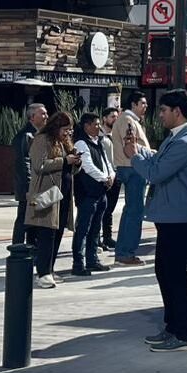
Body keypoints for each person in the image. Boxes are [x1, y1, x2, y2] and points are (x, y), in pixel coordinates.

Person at [124, 88, 187, 353]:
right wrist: (142, 152)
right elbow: (159, 160)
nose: (160, 115)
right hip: (171, 216)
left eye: (164, 110)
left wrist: (134, 156)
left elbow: (155, 173)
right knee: (165, 272)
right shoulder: (180, 136)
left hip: (178, 218)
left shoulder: (185, 141)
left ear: (177, 112)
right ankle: (172, 327)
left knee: (175, 275)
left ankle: (183, 334)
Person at [24, 111, 81, 288]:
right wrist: (64, 161)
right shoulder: (41, 139)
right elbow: (39, 165)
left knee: (57, 233)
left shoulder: (64, 142)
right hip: (46, 194)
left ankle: (50, 268)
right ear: (56, 127)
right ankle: (43, 272)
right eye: (65, 129)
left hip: (62, 194)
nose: (68, 133)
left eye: (70, 130)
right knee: (46, 234)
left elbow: (69, 169)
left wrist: (76, 163)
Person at [71, 113, 114, 276]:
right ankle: (78, 263)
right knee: (83, 229)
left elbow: (107, 162)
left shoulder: (99, 142)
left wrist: (111, 176)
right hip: (87, 193)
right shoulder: (81, 143)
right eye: (95, 124)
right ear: (86, 126)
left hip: (101, 192)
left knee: (96, 229)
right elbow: (87, 167)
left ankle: (92, 260)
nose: (98, 127)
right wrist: (104, 178)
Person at [112, 90, 151, 265]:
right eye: (142, 103)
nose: (146, 106)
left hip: (130, 167)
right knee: (134, 212)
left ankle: (124, 251)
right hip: (132, 167)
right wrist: (152, 154)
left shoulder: (128, 120)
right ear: (134, 104)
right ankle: (126, 252)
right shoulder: (128, 121)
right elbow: (132, 146)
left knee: (131, 211)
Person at [11, 103, 48, 245]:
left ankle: (32, 246)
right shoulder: (25, 136)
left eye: (46, 113)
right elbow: (23, 163)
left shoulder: (40, 134)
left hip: (40, 185)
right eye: (42, 114)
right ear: (32, 117)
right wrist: (28, 187)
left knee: (36, 219)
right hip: (30, 186)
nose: (46, 117)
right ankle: (18, 249)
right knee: (24, 218)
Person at [100, 106, 121, 249]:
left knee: (110, 209)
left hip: (117, 175)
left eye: (117, 116)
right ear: (104, 118)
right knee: (102, 209)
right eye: (112, 117)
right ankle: (96, 239)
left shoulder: (116, 135)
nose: (115, 119)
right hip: (103, 177)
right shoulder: (99, 136)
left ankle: (107, 237)